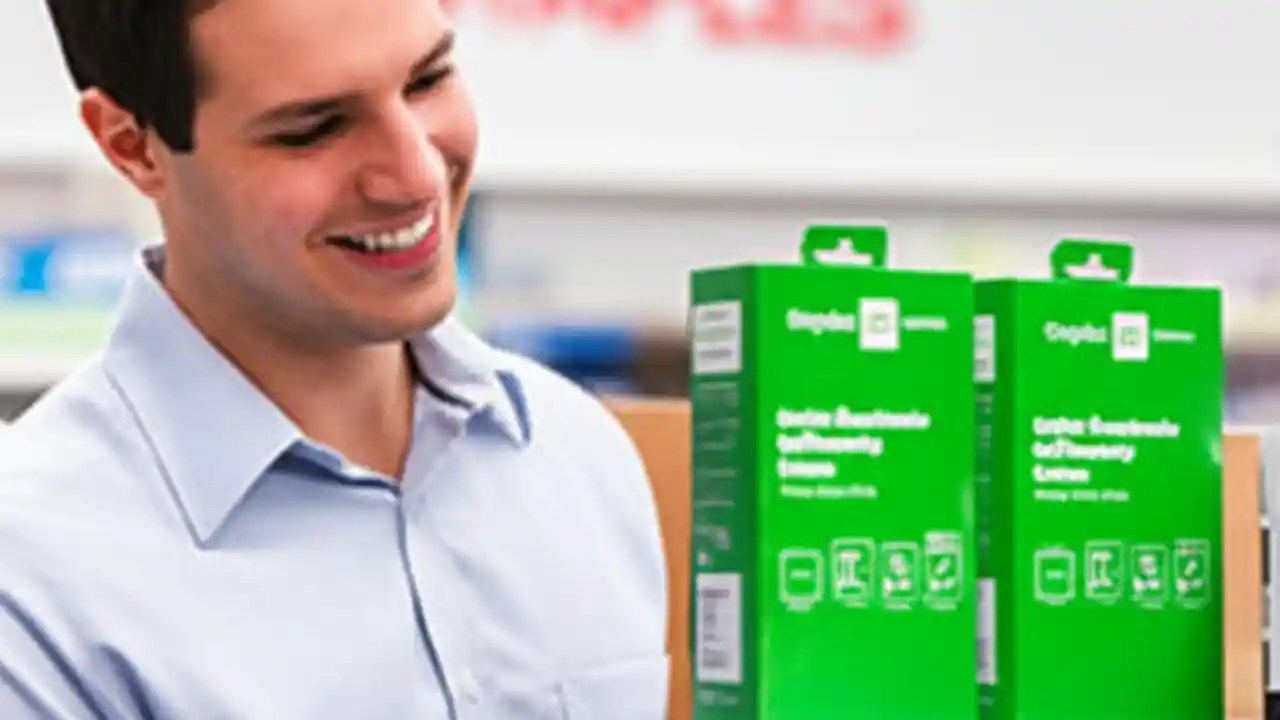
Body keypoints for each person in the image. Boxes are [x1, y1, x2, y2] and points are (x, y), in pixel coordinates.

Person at [0, 0, 669, 717]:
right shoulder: (34, 574)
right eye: (315, 129)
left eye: (427, 80)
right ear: (132, 146)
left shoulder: (580, 457)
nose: (413, 175)